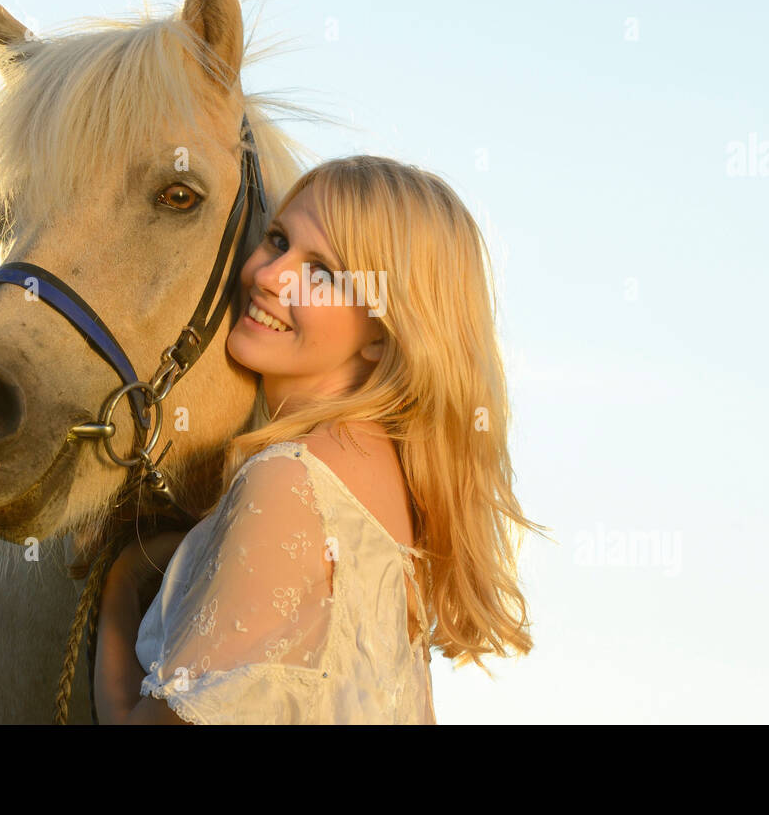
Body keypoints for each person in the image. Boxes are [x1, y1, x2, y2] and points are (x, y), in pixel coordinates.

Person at [94, 155, 550, 724]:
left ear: (382, 339)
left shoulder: (290, 479)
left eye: (322, 273)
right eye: (278, 240)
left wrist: (118, 589)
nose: (267, 275)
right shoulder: (384, 498)